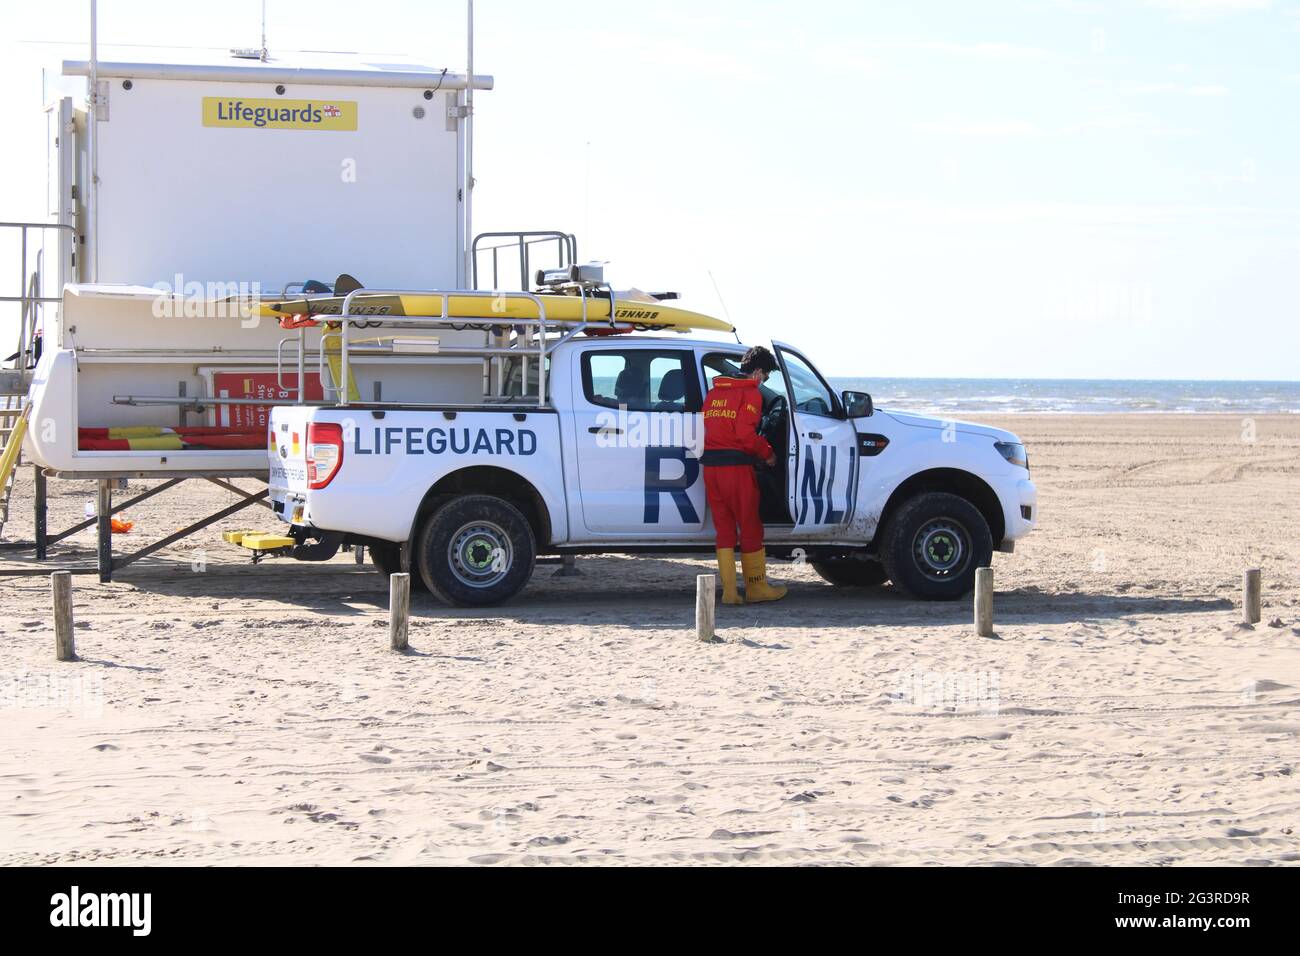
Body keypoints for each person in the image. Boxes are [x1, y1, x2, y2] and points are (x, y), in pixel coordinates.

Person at [700, 346, 787, 604]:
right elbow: (745, 436)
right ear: (758, 372)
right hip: (735, 468)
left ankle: (729, 592)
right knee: (750, 525)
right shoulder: (750, 394)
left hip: (711, 469)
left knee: (724, 529)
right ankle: (756, 589)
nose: (765, 381)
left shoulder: (715, 393)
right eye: (767, 376)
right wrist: (768, 453)